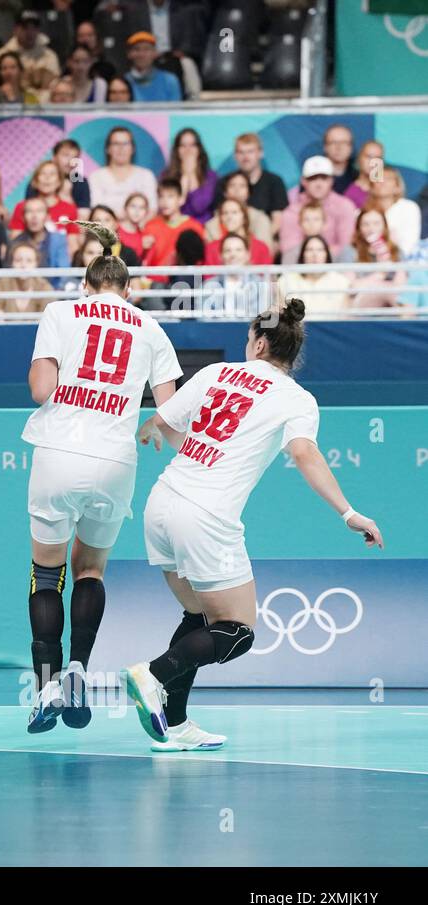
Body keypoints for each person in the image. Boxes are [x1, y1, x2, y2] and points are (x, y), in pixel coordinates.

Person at [123, 299, 384, 750]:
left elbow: (160, 423)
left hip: (162, 504)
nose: (247, 345)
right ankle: (153, 674)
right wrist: (348, 512)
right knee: (237, 631)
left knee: (199, 616)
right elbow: (304, 453)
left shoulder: (214, 374)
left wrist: (160, 434)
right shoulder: (297, 400)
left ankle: (178, 725)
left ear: (260, 343)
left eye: (249, 339)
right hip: (205, 516)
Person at [21, 222, 183, 732]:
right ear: (129, 290)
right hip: (115, 462)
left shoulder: (60, 311)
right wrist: (157, 426)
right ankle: (77, 669)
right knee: (89, 571)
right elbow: (172, 409)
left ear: (86, 286)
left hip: (59, 454)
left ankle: (47, 685)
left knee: (48, 572)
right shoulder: (150, 327)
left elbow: (40, 389)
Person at [213, 133, 288, 237]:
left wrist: (259, 244)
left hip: (265, 240)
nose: (246, 157)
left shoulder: (275, 182)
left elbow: (278, 221)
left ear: (260, 153)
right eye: (241, 152)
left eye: (250, 151)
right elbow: (218, 219)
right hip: (230, 243)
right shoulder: (224, 182)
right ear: (235, 156)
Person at [279, 156, 357, 255]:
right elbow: (289, 249)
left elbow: (345, 246)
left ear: (331, 180)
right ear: (303, 181)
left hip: (337, 266)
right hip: (301, 267)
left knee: (349, 253)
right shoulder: (292, 211)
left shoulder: (344, 206)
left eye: (324, 178)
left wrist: (319, 254)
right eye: (313, 178)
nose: (318, 184)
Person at [349, 207, 411, 316]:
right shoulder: (350, 251)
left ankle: (407, 325)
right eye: (366, 224)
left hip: (392, 303)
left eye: (376, 223)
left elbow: (401, 287)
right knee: (383, 288)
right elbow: (352, 288)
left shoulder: (396, 251)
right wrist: (381, 273)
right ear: (359, 228)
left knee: (404, 299)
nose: (371, 228)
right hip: (360, 305)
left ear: (384, 226)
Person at [0, 9, 60, 100]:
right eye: (25, 28)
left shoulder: (50, 55)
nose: (30, 32)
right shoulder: (1, 54)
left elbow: (53, 85)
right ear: (15, 29)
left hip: (43, 105)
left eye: (34, 28)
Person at [87, 126, 157, 217]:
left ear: (133, 148)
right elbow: (96, 210)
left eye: (125, 143)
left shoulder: (146, 176)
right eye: (116, 143)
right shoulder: (96, 177)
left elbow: (152, 209)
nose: (121, 148)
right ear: (108, 149)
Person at [11, 161, 79, 253]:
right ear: (35, 181)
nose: (47, 178)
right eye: (43, 174)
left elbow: (72, 246)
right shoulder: (22, 207)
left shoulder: (70, 209)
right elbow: (15, 243)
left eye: (52, 174)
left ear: (59, 182)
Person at [277, 236, 350, 320]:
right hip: (297, 331)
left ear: (326, 254)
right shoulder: (286, 280)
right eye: (309, 250)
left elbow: (345, 318)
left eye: (320, 250)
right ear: (303, 254)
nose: (315, 254)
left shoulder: (341, 281)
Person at [141, 177, 204, 267]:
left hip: (184, 278)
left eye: (170, 196)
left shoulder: (194, 227)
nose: (165, 201)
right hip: (154, 278)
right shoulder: (151, 226)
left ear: (181, 199)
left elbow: (199, 261)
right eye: (161, 197)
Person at [208, 170, 274, 254]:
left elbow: (266, 253)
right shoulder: (212, 224)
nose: (237, 190)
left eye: (242, 186)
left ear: (249, 192)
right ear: (225, 192)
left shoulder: (260, 219)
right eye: (232, 185)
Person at [162, 127, 216, 223]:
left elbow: (199, 207)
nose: (188, 150)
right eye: (183, 145)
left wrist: (191, 175)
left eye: (192, 145)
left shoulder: (211, 177)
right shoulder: (167, 176)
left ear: (199, 149)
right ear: (177, 150)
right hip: (175, 228)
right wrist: (185, 176)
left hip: (204, 230)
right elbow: (170, 208)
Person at [25, 139, 91, 212]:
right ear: (54, 157)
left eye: (75, 157)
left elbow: (83, 218)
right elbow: (28, 213)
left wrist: (67, 197)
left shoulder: (80, 181)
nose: (71, 161)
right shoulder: (39, 180)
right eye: (66, 155)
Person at [0, 240, 55, 319]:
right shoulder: (1, 285)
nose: (23, 265)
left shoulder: (44, 288)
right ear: (11, 263)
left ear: (36, 264)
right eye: (18, 260)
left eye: (29, 261)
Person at [369, 168, 422, 256]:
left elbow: (409, 245)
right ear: (372, 187)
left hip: (400, 261)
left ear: (397, 187)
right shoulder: (361, 212)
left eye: (388, 179)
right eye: (378, 179)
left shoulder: (409, 208)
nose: (382, 182)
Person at [203, 198, 272, 266]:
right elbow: (207, 276)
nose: (229, 217)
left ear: (244, 217)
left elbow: (267, 275)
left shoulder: (261, 248)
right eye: (225, 213)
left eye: (234, 212)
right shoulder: (212, 249)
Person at [124, 31, 181, 101]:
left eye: (146, 49)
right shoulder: (123, 82)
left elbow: (175, 109)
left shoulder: (169, 81)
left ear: (155, 53)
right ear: (129, 54)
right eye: (136, 49)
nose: (141, 54)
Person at [343, 139, 384, 210]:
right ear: (359, 159)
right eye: (369, 157)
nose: (373, 162)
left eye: (377, 158)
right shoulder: (351, 192)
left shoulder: (388, 188)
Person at [322, 123, 357, 194]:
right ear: (325, 147)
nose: (338, 147)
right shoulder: (314, 175)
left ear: (351, 147)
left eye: (344, 142)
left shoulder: (360, 174)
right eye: (333, 142)